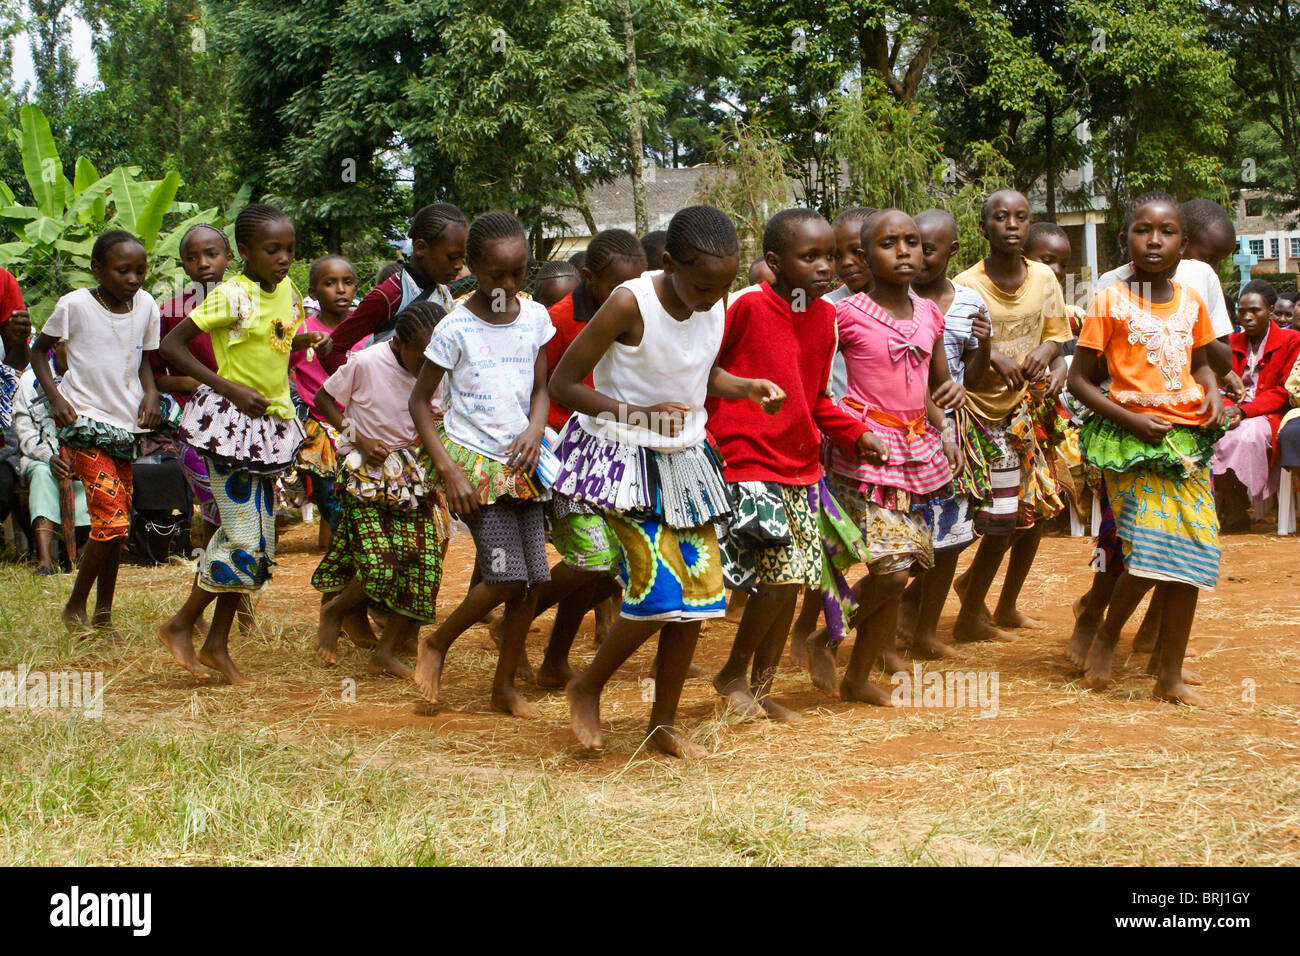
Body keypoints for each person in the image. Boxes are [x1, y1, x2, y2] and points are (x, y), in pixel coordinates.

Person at [551, 205, 784, 758]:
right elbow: (564, 383)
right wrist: (637, 413)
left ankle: (663, 724)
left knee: (702, 593)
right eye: (703, 285)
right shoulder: (630, 302)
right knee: (661, 589)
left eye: (722, 287)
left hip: (685, 458)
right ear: (669, 262)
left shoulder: (715, 296)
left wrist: (746, 386)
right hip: (624, 460)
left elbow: (701, 375)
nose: (712, 298)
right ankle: (587, 684)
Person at [709, 208, 878, 719]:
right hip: (744, 458)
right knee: (780, 576)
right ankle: (732, 674)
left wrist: (856, 432)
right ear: (775, 262)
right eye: (811, 257)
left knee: (795, 577)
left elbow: (817, 396)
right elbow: (704, 371)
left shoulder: (826, 319)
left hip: (800, 466)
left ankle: (759, 687)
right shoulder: (745, 308)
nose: (827, 267)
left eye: (831, 255)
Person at [157, 203, 329, 684]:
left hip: (268, 429)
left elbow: (280, 343)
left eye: (289, 249)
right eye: (271, 249)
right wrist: (227, 387)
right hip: (229, 428)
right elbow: (170, 346)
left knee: (259, 544)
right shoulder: (232, 295)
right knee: (243, 541)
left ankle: (215, 644)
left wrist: (308, 346)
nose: (282, 258)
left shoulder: (289, 292)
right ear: (246, 253)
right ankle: (180, 624)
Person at [1067, 193, 1224, 706]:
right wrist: (1132, 418)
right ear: (1124, 239)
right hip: (1130, 442)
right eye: (1143, 230)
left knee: (1195, 550)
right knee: (1152, 550)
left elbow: (1201, 364)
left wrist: (1214, 393)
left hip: (1186, 440)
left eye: (1167, 231)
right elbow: (1079, 381)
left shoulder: (1192, 301)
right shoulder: (1109, 302)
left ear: (1184, 243)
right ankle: (1109, 635)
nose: (1154, 241)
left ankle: (1169, 674)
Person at [809, 209, 964, 703]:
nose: (904, 252)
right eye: (888, 243)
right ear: (863, 256)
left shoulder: (929, 314)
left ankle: (856, 676)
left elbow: (936, 387)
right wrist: (848, 428)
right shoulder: (845, 315)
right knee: (893, 569)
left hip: (918, 452)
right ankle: (828, 632)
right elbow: (816, 388)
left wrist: (948, 428)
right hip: (866, 452)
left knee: (908, 570)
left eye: (912, 242)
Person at [408, 211, 553, 718]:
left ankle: (505, 686)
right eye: (497, 275)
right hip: (473, 463)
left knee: (535, 580)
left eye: (519, 274)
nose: (508, 285)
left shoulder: (534, 317)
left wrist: (536, 429)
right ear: (472, 266)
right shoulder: (454, 328)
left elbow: (541, 387)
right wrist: (448, 468)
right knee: (506, 575)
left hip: (523, 462)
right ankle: (438, 642)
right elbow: (420, 401)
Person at [950, 190, 1070, 643]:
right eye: (1001, 218)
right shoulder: (965, 285)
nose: (1012, 225)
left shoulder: (1043, 278)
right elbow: (953, 349)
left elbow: (1057, 335)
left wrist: (1044, 350)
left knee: (1026, 514)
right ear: (984, 228)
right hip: (979, 413)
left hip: (1026, 412)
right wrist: (994, 355)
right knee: (994, 519)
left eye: (1021, 217)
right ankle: (962, 608)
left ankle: (983, 602)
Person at [530, 229, 648, 687]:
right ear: (589, 278)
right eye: (620, 285)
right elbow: (545, 385)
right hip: (569, 452)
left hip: (620, 454)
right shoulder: (560, 320)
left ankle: (554, 659)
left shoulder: (638, 312)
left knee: (604, 567)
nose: (631, 294)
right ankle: (518, 613)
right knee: (591, 558)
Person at [30, 230, 162, 637]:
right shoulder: (75, 305)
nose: (134, 278)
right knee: (111, 515)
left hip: (125, 426)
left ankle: (103, 614)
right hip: (84, 424)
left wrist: (152, 392)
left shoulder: (147, 306)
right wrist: (55, 396)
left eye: (141, 270)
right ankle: (75, 607)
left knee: (117, 524)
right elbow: (39, 350)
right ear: (97, 269)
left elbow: (143, 361)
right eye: (123, 270)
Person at [311, 301, 448, 677]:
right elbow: (323, 399)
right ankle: (335, 611)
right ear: (401, 342)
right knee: (378, 566)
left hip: (412, 477)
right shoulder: (367, 362)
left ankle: (386, 653)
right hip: (364, 474)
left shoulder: (438, 367)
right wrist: (359, 437)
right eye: (422, 359)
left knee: (425, 568)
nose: (429, 368)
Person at [899, 208, 993, 659]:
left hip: (948, 433)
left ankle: (925, 629)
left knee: (954, 532)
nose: (918, 256)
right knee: (904, 536)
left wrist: (987, 344)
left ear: (952, 251)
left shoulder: (971, 302)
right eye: (912, 244)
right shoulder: (892, 301)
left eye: (929, 248)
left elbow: (971, 377)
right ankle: (890, 615)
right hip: (898, 432)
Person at [787, 205, 877, 660]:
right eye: (838, 255)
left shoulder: (906, 306)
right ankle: (810, 627)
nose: (845, 264)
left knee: (881, 550)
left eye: (857, 252)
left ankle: (847, 624)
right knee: (826, 541)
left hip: (886, 442)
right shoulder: (826, 306)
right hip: (830, 441)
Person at [321, 203, 466, 365]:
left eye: (463, 258)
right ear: (420, 248)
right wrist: (361, 386)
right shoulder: (389, 296)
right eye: (452, 257)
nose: (459, 266)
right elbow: (331, 349)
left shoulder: (443, 290)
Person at [1211, 280, 1300, 528]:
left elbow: (1283, 391)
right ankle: (1234, 504)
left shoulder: (1291, 340)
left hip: (1270, 413)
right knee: (1214, 434)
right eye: (1242, 311)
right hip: (1233, 409)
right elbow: (1219, 383)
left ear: (1270, 310)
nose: (1247, 317)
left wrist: (1243, 411)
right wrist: (1228, 408)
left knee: (1247, 436)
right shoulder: (1232, 341)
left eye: (1255, 311)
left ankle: (1238, 507)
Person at [290, 255, 359, 549]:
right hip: (317, 427)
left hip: (356, 426)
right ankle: (341, 553)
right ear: (314, 293)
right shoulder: (302, 333)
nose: (341, 289)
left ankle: (343, 549)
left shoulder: (363, 331)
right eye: (330, 283)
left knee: (356, 492)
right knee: (329, 495)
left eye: (347, 282)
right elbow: (280, 366)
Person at [13, 343, 90, 573]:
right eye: (71, 344)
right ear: (55, 346)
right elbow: (24, 430)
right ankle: (45, 561)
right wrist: (50, 457)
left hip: (81, 457)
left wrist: (79, 457)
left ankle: (76, 558)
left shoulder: (87, 379)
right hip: (40, 457)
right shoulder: (28, 382)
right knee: (42, 475)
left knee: (91, 478)